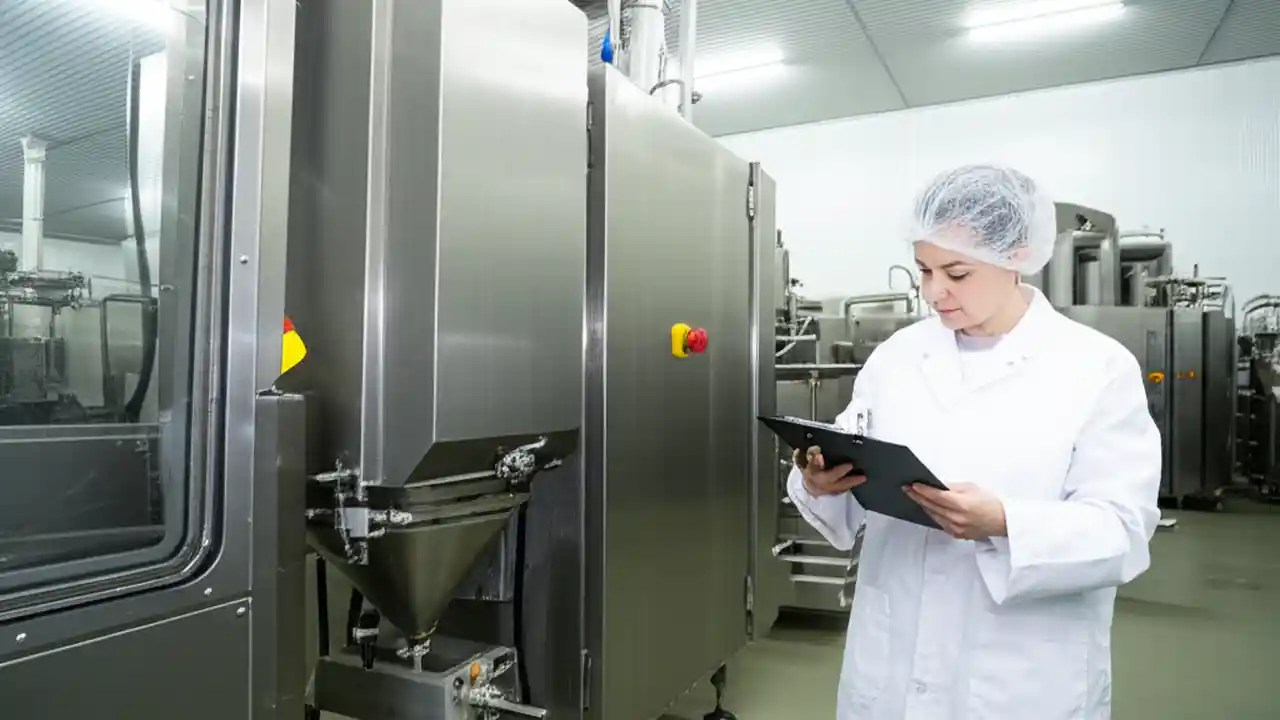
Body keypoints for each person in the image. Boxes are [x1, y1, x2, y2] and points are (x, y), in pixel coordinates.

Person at [789, 165, 1162, 719]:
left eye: (956, 273)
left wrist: (1005, 522)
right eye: (923, 270)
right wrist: (820, 480)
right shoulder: (898, 356)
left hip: (1018, 673)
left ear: (1014, 257)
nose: (933, 292)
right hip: (893, 664)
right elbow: (853, 454)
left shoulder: (1096, 367)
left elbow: (1123, 529)